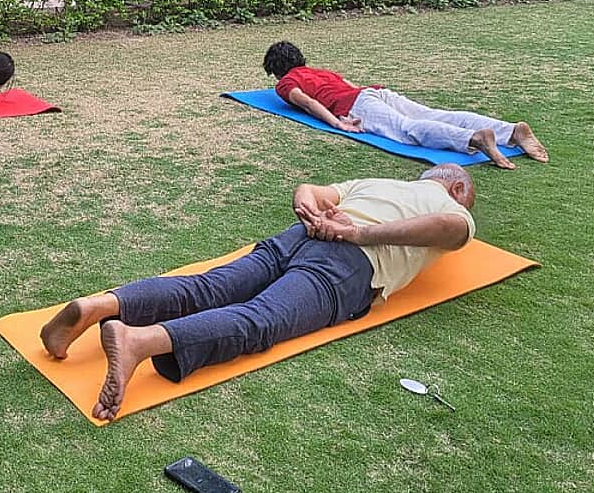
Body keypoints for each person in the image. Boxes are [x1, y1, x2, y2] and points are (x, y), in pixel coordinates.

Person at [40, 164, 478, 421]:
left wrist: (309, 208)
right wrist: (359, 233)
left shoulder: (378, 183)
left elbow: (309, 191)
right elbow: (452, 229)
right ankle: (138, 339)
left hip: (299, 236)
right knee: (260, 318)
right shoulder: (452, 206)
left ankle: (104, 305)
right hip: (348, 263)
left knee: (208, 286)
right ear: (457, 188)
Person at [263, 41, 547, 169]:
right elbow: (348, 84)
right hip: (374, 92)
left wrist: (338, 122)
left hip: (358, 104)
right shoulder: (320, 71)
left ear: (276, 69)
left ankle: (472, 139)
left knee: (407, 130)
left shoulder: (285, 83)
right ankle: (510, 131)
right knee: (435, 114)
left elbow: (309, 102)